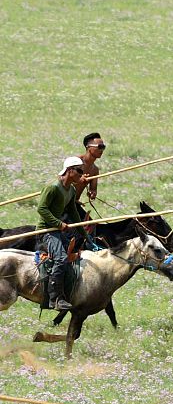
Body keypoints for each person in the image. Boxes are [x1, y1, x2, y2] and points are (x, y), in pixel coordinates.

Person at [36, 157, 89, 311]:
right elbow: (41, 209)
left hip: (57, 230)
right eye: (79, 170)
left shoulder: (71, 190)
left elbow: (72, 211)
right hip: (46, 231)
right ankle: (55, 299)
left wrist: (84, 233)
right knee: (61, 258)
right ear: (70, 170)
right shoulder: (53, 187)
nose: (82, 174)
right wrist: (59, 224)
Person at [76, 132, 106, 207]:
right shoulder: (75, 162)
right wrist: (79, 180)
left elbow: (93, 189)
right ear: (88, 147)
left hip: (74, 204)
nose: (102, 150)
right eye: (99, 147)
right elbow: (62, 181)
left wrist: (92, 193)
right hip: (61, 203)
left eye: (103, 147)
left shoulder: (95, 170)